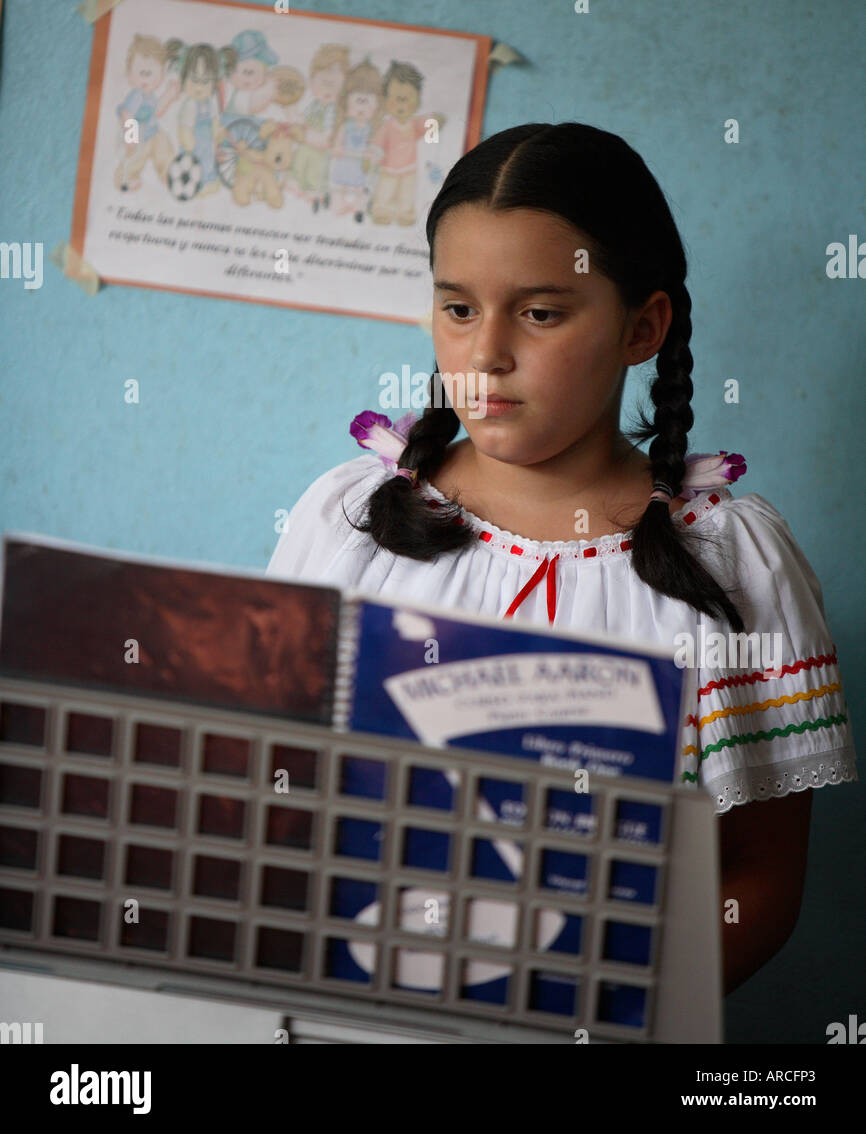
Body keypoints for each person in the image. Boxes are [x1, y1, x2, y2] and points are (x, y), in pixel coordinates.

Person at [266, 121, 857, 996]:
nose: (486, 355)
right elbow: (271, 797)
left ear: (642, 326)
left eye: (540, 313)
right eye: (458, 309)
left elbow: (756, 884)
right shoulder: (351, 523)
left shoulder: (732, 565)